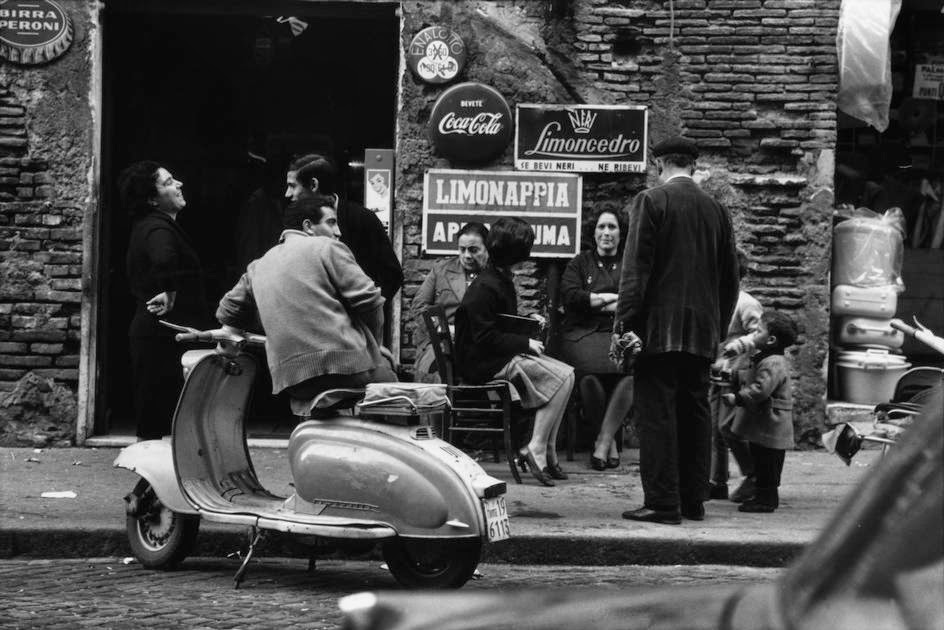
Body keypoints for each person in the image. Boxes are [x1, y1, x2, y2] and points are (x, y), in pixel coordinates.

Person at [616, 136, 739, 525]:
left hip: (657, 331)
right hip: (702, 333)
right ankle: (693, 501)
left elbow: (636, 271)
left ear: (659, 165)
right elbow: (730, 281)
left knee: (657, 416)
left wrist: (625, 325)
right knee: (695, 415)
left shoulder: (651, 201)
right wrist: (716, 328)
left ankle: (663, 503)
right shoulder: (717, 211)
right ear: (693, 166)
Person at [216, 195, 395, 417]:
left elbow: (229, 310)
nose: (338, 231)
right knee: (392, 384)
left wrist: (229, 336)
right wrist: (375, 347)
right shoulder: (327, 248)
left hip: (292, 381)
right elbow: (370, 302)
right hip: (346, 369)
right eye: (331, 222)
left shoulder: (257, 266)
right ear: (308, 226)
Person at [454, 217, 575, 487]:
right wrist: (524, 343)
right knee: (559, 379)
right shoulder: (486, 287)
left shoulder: (498, 278)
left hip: (493, 356)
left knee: (569, 376)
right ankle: (536, 447)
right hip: (481, 364)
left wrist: (527, 320)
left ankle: (548, 448)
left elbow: (498, 321)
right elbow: (485, 336)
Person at [120, 161, 210, 440]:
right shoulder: (158, 229)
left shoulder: (150, 226)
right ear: (152, 198)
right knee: (161, 418)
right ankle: (151, 483)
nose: (179, 184)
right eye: (169, 182)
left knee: (158, 418)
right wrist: (170, 291)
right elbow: (164, 259)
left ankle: (153, 483)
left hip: (158, 336)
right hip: (161, 338)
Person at [559, 205, 634, 471]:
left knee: (630, 374)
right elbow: (570, 297)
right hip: (582, 334)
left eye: (612, 227)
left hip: (618, 333)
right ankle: (610, 440)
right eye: (601, 227)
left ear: (621, 232)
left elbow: (635, 300)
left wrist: (594, 300)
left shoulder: (630, 262)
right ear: (594, 232)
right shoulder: (580, 263)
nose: (606, 232)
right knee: (589, 375)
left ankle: (603, 439)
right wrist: (612, 299)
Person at [286, 153, 403, 301]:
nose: (287, 194)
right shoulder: (295, 222)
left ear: (314, 185)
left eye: (292, 186)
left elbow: (392, 275)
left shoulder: (363, 219)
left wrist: (367, 312)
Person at [722, 311, 798, 513]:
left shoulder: (773, 362)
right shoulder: (767, 358)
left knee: (767, 465)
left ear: (771, 339)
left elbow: (760, 389)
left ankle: (765, 501)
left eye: (758, 330)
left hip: (771, 425)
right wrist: (734, 375)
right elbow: (753, 376)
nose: (754, 333)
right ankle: (761, 496)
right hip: (765, 425)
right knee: (761, 461)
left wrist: (737, 398)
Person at [708, 248, 763, 502]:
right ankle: (716, 481)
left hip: (736, 375)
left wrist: (739, 346)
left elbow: (759, 335)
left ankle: (753, 474)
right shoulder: (712, 299)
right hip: (715, 374)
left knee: (729, 428)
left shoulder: (746, 302)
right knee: (712, 430)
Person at [410, 222, 489, 383]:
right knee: (432, 370)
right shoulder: (441, 270)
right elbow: (419, 306)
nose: (467, 255)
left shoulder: (494, 275)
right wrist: (442, 328)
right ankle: (434, 406)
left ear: (486, 249)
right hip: (442, 341)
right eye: (462, 249)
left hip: (481, 343)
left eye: (473, 250)